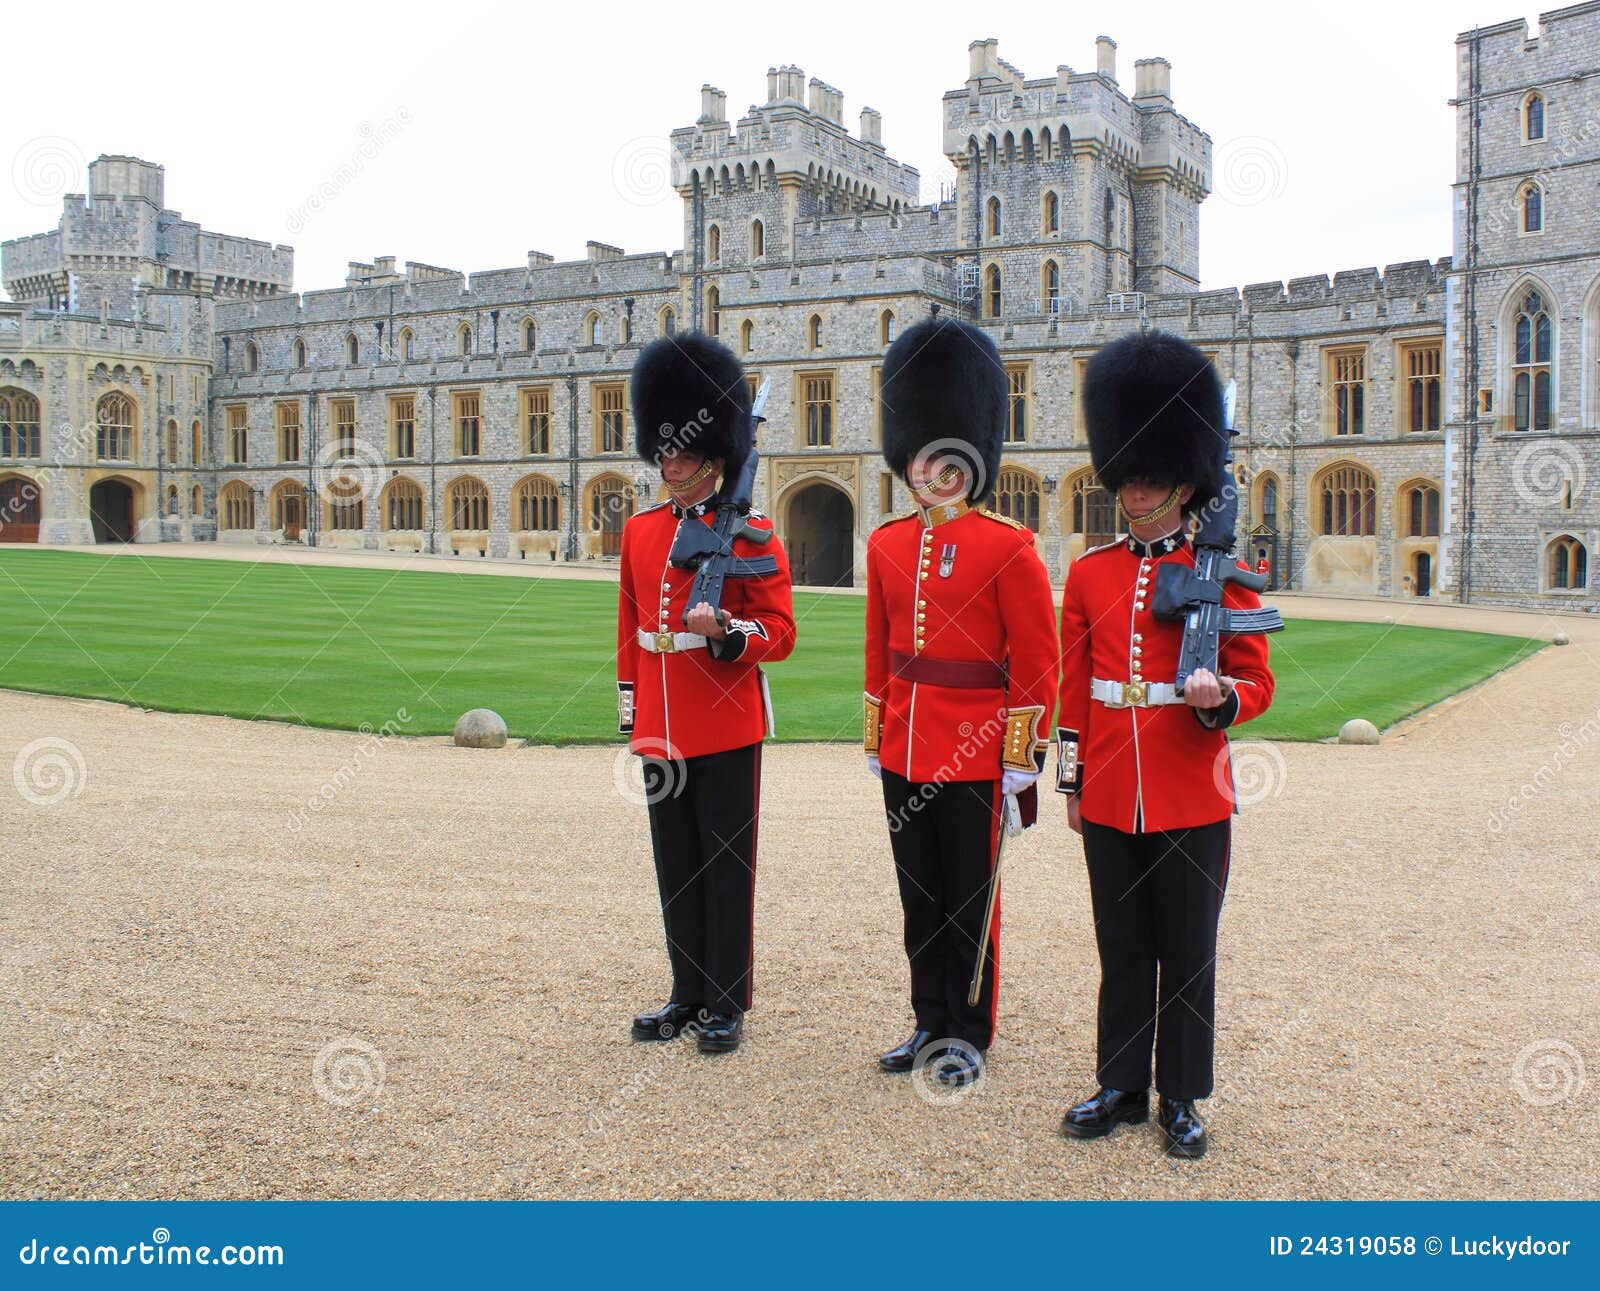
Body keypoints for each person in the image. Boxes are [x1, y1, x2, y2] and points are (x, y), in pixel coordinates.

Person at [1056, 330, 1276, 1157]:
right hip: (1112, 787)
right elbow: (1073, 690)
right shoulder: (1091, 572)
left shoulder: (1225, 571)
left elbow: (1257, 679)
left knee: (1187, 951)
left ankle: (1180, 1094)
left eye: (1149, 478)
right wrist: (1074, 783)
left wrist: (1219, 702)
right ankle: (1120, 1082)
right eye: (1126, 476)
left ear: (1185, 484)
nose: (1133, 491)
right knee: (1122, 947)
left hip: (1190, 789)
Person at [865, 314, 1059, 1088]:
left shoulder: (1008, 546)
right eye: (918, 454)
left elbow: (1037, 664)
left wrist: (1021, 763)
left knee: (970, 900)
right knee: (920, 896)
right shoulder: (884, 543)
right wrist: (877, 735)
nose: (928, 468)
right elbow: (880, 653)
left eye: (943, 456)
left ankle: (968, 1030)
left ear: (968, 461)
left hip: (976, 749)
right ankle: (926, 1017)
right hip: (908, 742)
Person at [617, 331, 796, 1055]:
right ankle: (686, 990)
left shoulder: (751, 532)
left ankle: (728, 1000)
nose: (671, 464)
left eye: (683, 453)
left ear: (715, 457)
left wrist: (727, 632)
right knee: (676, 864)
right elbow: (631, 630)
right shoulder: (639, 531)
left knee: (727, 866)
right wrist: (634, 713)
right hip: (663, 723)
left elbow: (780, 631)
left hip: (725, 720)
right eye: (663, 452)